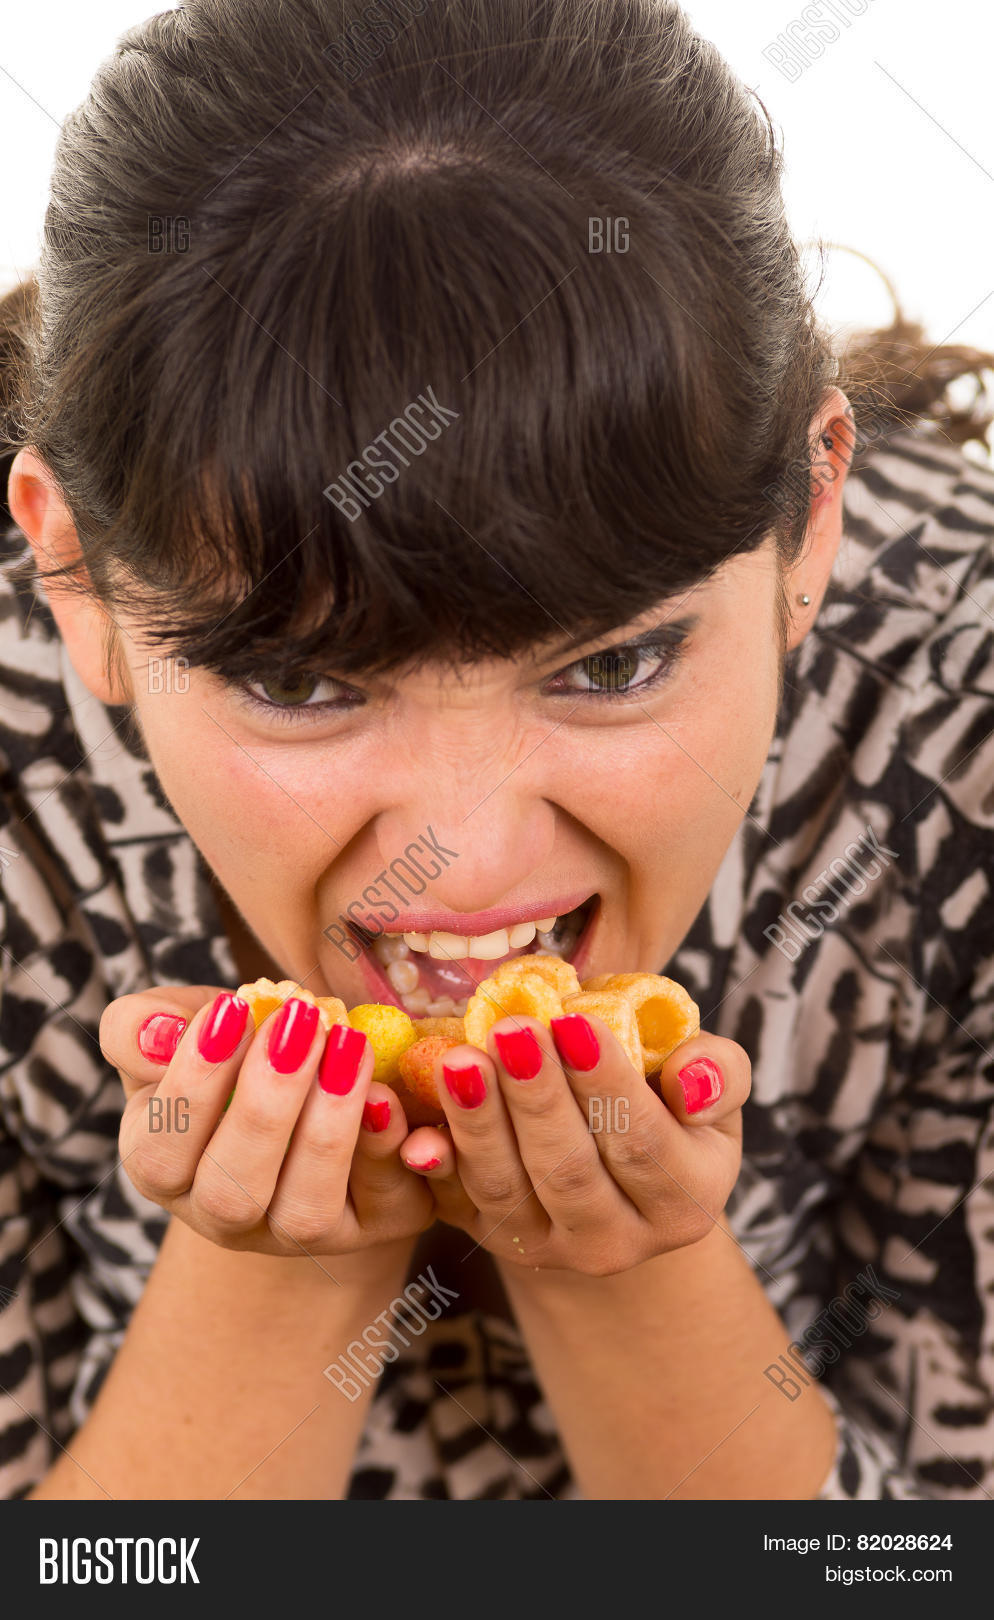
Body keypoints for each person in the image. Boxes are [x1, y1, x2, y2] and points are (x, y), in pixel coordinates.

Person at [0, 0, 992, 1501]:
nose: (461, 866)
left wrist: (623, 1278)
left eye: (614, 664)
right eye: (298, 682)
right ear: (75, 575)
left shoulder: (960, 706)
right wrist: (277, 1277)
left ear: (812, 512)